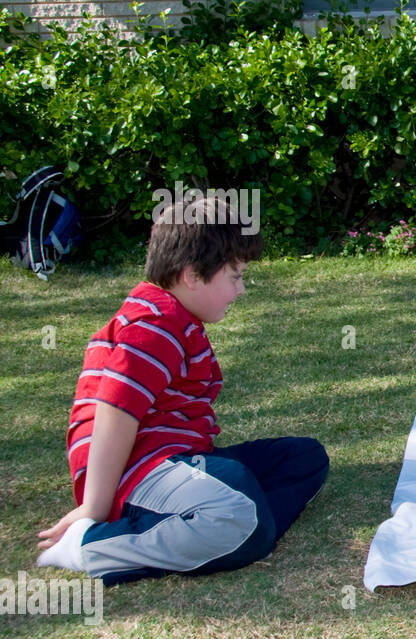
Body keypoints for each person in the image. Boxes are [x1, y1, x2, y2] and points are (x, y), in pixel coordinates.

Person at [36, 198, 329, 585]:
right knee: (239, 509)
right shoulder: (154, 323)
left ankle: (231, 527)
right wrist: (94, 506)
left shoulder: (174, 317)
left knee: (304, 458)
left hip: (177, 460)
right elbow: (114, 411)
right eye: (235, 276)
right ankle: (91, 545)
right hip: (139, 470)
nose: (240, 290)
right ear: (192, 274)